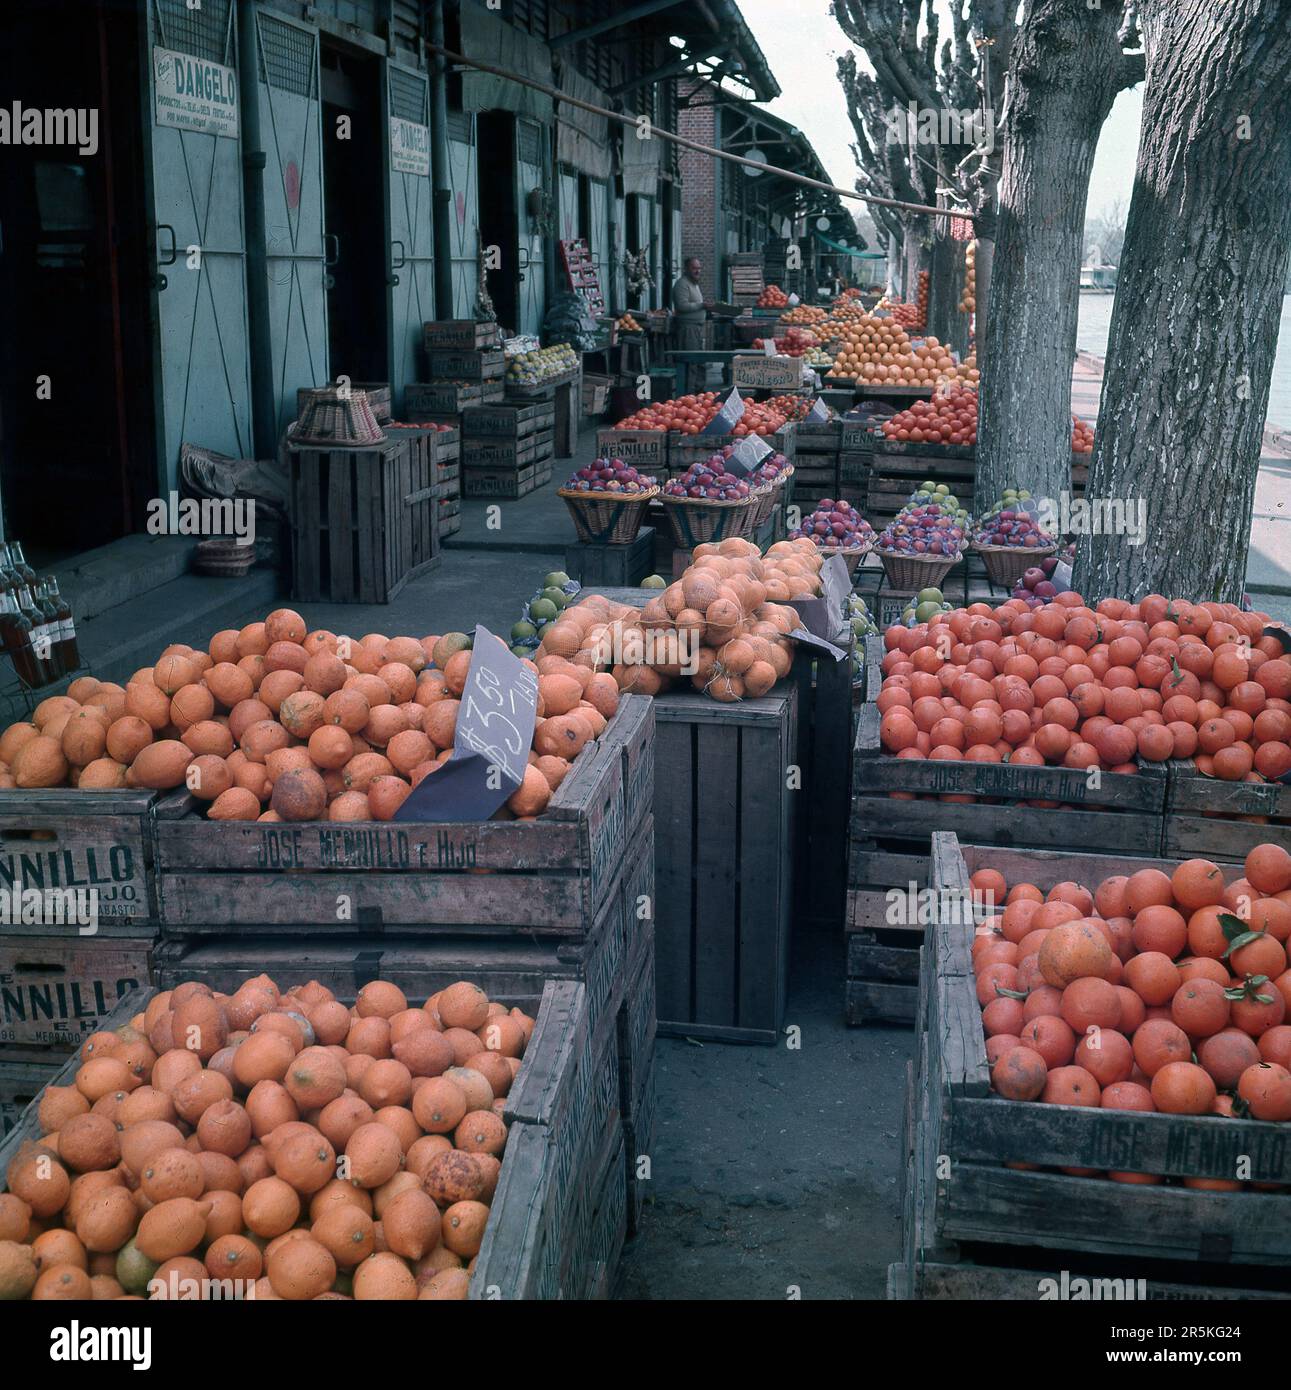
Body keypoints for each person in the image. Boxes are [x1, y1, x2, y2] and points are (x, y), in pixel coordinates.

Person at [671, 257, 712, 392]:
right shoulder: (682, 284)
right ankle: (689, 393)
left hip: (697, 328)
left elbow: (695, 304)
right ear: (687, 269)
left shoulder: (694, 284)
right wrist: (702, 305)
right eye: (694, 268)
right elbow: (681, 306)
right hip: (688, 328)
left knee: (700, 361)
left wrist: (706, 306)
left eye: (699, 268)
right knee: (691, 361)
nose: (698, 271)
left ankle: (699, 390)